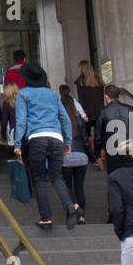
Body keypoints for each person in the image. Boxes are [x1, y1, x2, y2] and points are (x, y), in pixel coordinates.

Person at [13, 63, 81, 230]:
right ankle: (69, 205)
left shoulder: (23, 94)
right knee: (56, 176)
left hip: (36, 138)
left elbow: (21, 121)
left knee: (38, 179)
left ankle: (46, 217)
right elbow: (64, 119)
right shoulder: (52, 94)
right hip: (56, 138)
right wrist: (68, 142)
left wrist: (17, 144)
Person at [60, 85, 89, 224]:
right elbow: (85, 140)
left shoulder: (59, 122)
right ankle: (82, 214)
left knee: (68, 185)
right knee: (79, 186)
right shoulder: (78, 121)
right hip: (81, 158)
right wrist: (93, 156)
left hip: (65, 158)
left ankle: (74, 207)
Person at [95, 84, 133, 171]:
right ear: (119, 96)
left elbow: (98, 137)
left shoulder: (103, 112)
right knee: (131, 178)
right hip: (130, 150)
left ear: (106, 97)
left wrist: (97, 155)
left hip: (112, 152)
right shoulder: (131, 109)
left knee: (115, 178)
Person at [74, 61, 105, 158]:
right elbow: (101, 96)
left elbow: (81, 99)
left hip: (88, 112)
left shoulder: (80, 81)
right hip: (100, 111)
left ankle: (92, 156)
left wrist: (82, 113)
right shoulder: (98, 79)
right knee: (99, 134)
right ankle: (100, 154)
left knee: (86, 135)